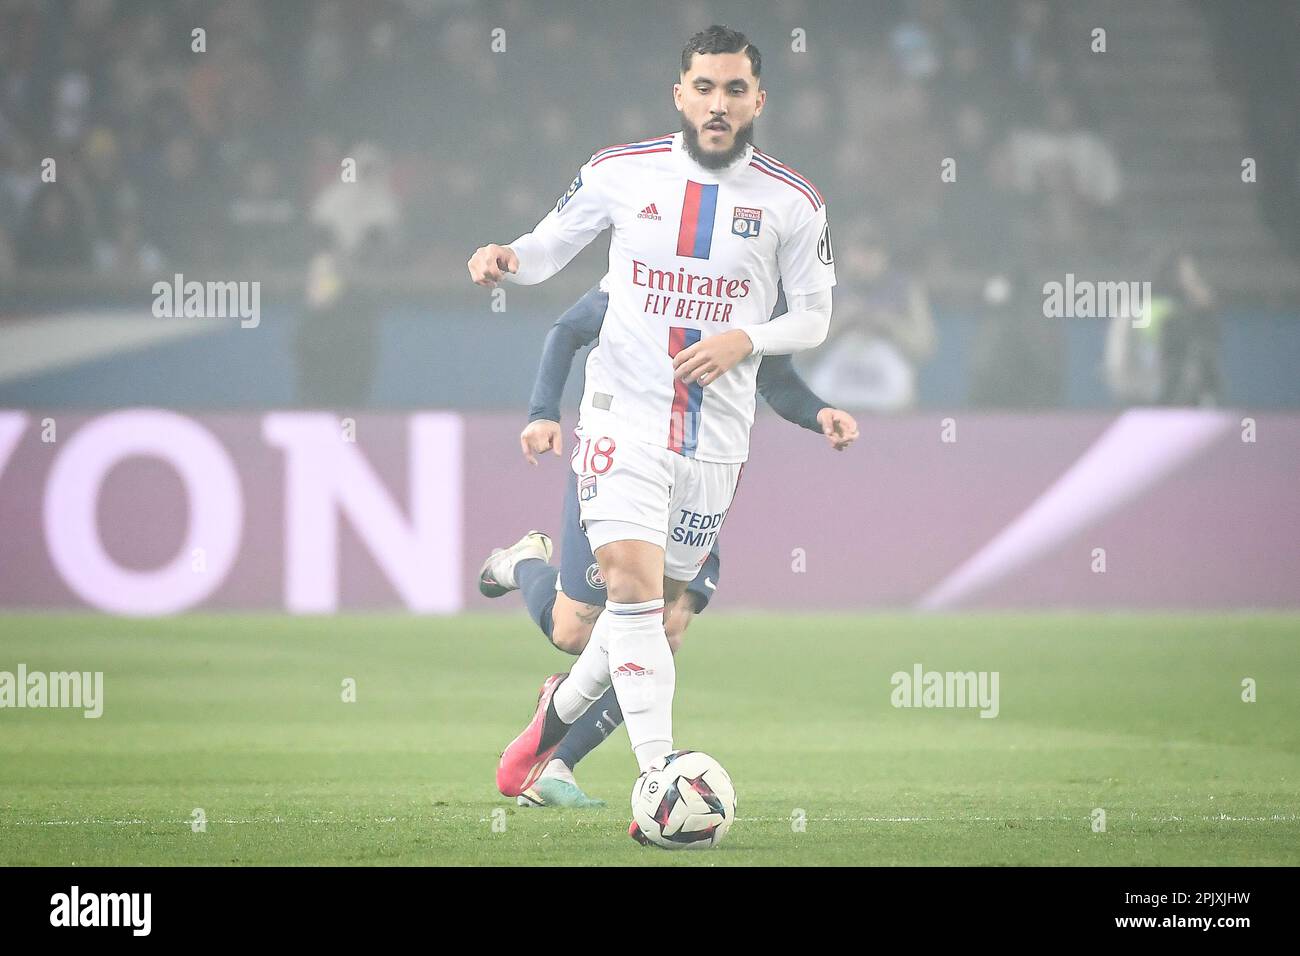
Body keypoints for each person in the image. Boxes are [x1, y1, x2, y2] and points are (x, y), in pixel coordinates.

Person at [467, 25, 837, 841]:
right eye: (703, 87)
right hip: (620, 422)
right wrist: (504, 258)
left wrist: (751, 338)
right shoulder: (617, 172)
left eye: (734, 89)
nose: (718, 103)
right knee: (630, 594)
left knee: (645, 616)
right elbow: (545, 248)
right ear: (680, 93)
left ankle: (547, 727)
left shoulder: (793, 201)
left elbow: (813, 316)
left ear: (757, 100)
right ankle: (660, 780)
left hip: (714, 445)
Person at [478, 282, 858, 807]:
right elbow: (568, 328)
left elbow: (775, 379)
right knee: (573, 631)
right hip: (625, 453)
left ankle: (560, 762)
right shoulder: (649, 262)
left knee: (665, 627)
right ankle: (523, 563)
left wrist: (820, 415)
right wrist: (543, 410)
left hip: (707, 464)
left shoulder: (754, 296)